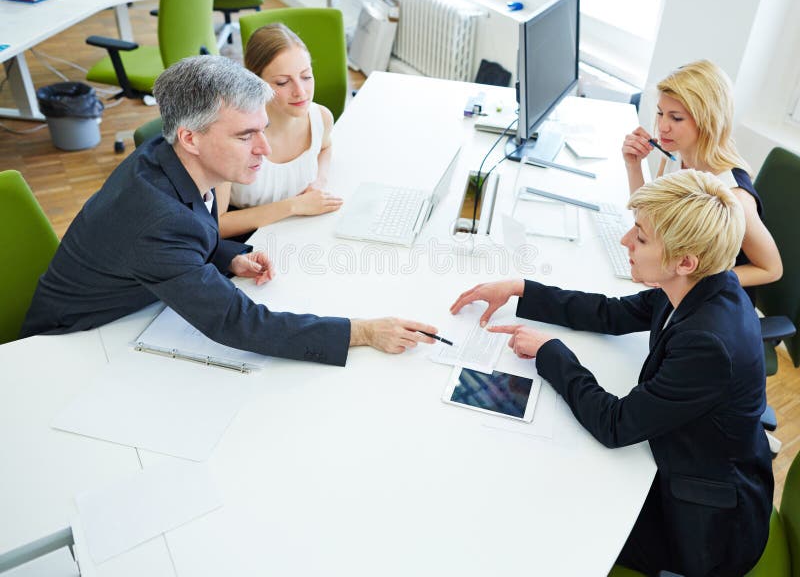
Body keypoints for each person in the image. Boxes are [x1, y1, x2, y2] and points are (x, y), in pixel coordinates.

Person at [450, 170, 773, 577]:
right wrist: (521, 289)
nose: (625, 243)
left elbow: (615, 424)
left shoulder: (708, 344)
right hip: (687, 463)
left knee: (540, 515)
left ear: (684, 260)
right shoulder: (704, 280)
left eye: (640, 237)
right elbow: (614, 312)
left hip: (707, 526)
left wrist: (551, 353)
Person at [21, 55, 437, 362]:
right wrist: (361, 331)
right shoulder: (155, 218)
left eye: (263, 129)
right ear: (190, 137)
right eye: (245, 136)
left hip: (136, 304)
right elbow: (236, 322)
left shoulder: (165, 155)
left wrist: (229, 257)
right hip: (68, 344)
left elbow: (189, 231)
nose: (265, 148)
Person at [622, 58, 781, 289]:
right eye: (660, 113)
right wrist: (633, 166)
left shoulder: (734, 196)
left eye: (676, 118)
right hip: (677, 284)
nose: (663, 126)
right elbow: (649, 222)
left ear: (708, 121)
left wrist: (689, 280)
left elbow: (771, 269)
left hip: (714, 302)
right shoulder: (676, 156)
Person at [216, 23, 342, 239]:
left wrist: (318, 182)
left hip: (299, 232)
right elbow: (216, 225)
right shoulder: (233, 137)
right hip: (248, 244)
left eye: (306, 76)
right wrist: (293, 206)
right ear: (255, 83)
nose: (300, 92)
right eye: (283, 82)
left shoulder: (321, 117)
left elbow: (325, 147)